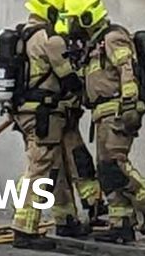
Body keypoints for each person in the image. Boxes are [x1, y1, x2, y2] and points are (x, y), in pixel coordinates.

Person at [63, 0, 145, 244]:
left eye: (74, 19)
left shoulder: (113, 38)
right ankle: (121, 224)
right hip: (103, 113)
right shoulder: (94, 44)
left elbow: (126, 68)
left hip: (117, 110)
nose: (71, 25)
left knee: (113, 164)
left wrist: (130, 103)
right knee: (106, 170)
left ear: (87, 17)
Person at [9, 0, 83, 250]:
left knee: (57, 164)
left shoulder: (22, 36)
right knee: (39, 168)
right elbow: (67, 77)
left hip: (29, 112)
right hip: (43, 114)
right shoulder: (48, 39)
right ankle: (24, 228)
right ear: (51, 9)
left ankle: (66, 219)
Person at [49, 17, 107, 238]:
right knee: (58, 170)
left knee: (78, 162)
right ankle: (67, 218)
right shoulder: (54, 46)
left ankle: (91, 207)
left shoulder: (58, 44)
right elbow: (68, 81)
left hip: (64, 120)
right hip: (55, 120)